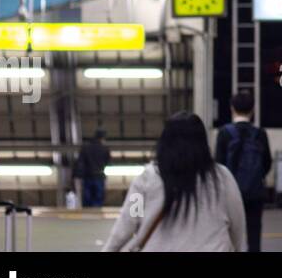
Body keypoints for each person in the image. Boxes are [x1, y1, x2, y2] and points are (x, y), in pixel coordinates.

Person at [102, 112, 245, 252]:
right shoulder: (222, 177)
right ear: (202, 142)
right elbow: (237, 225)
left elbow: (128, 221)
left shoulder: (146, 178)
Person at [215, 92, 272, 253]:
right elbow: (267, 163)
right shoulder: (260, 133)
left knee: (228, 236)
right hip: (255, 193)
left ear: (232, 109)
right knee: (254, 237)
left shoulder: (224, 133)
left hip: (229, 194)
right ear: (252, 110)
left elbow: (219, 165)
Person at [74, 129, 111, 207]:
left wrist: (78, 175)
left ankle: (87, 215)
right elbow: (108, 161)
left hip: (87, 176)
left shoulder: (85, 148)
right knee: (98, 198)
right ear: (103, 138)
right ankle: (97, 214)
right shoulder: (105, 148)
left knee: (87, 199)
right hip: (99, 176)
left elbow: (80, 162)